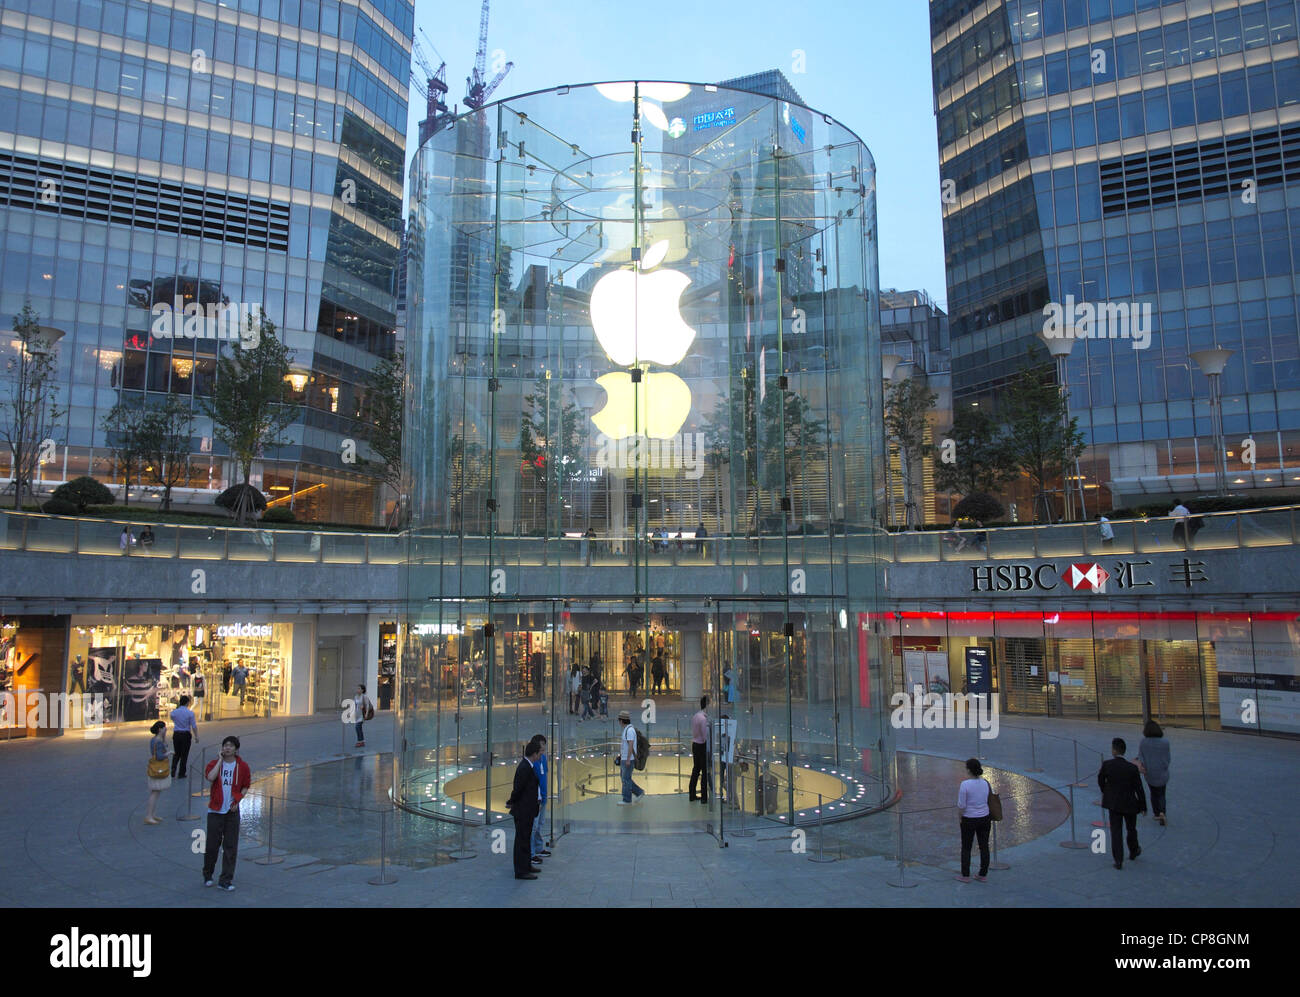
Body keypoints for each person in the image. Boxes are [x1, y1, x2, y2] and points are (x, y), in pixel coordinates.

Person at [203, 736, 252, 890]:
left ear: (236, 749)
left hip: (231, 812)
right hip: (215, 810)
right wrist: (219, 761)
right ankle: (208, 874)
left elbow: (246, 785)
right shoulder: (214, 764)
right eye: (225, 745)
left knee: (230, 846)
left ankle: (225, 879)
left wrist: (238, 801)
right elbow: (210, 777)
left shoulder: (242, 767)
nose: (227, 748)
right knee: (212, 845)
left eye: (231, 746)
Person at [1098, 736, 1147, 870]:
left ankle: (1118, 860)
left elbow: (1101, 780)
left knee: (1116, 830)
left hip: (1113, 803)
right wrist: (1143, 806)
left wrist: (1106, 792)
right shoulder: (1131, 768)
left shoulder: (1107, 765)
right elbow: (1139, 788)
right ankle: (1133, 850)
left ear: (1114, 751)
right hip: (1130, 803)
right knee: (1131, 829)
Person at [505, 738, 542, 880]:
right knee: (522, 840)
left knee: (525, 839)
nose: (540, 756)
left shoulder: (528, 766)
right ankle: (521, 870)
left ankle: (526, 866)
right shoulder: (524, 768)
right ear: (534, 754)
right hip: (523, 810)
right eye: (539, 753)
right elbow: (518, 789)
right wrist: (511, 801)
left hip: (528, 810)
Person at [955, 758, 991, 882]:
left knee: (966, 847)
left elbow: (961, 805)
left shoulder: (965, 784)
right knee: (984, 846)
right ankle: (983, 874)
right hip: (985, 818)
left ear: (969, 770)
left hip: (969, 819)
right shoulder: (985, 783)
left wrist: (960, 817)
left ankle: (965, 875)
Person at [1136, 720, 1171, 825]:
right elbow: (1168, 758)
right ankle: (1162, 812)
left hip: (1150, 772)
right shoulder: (1165, 742)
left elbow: (1141, 757)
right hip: (1162, 772)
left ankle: (1156, 812)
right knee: (1162, 793)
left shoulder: (1144, 742)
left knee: (1153, 792)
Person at [529, 734, 551, 864]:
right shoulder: (532, 762)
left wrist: (545, 794)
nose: (543, 752)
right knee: (534, 825)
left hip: (543, 797)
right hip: (536, 799)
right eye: (541, 749)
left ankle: (538, 847)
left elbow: (544, 776)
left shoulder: (543, 759)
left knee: (540, 824)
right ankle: (531, 853)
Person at [617, 709, 644, 805]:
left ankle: (627, 799)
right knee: (625, 778)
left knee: (626, 779)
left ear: (621, 720)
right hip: (625, 758)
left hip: (628, 759)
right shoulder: (628, 730)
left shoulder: (629, 730)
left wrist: (628, 759)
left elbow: (630, 744)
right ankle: (638, 792)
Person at [145, 720, 169, 825]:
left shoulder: (153, 740)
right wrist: (168, 753)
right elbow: (160, 756)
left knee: (155, 792)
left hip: (154, 767)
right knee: (155, 792)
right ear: (160, 729)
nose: (166, 729)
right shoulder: (158, 742)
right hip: (158, 768)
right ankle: (149, 815)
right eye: (164, 728)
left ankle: (152, 814)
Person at [170, 694, 198, 779]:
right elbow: (193, 726)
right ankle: (181, 772)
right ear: (187, 703)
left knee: (177, 753)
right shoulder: (190, 713)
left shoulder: (174, 712)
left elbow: (172, 718)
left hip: (176, 733)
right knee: (184, 755)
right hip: (185, 734)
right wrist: (196, 736)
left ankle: (173, 768)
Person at [689, 695, 710, 804]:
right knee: (704, 771)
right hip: (702, 745)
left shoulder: (696, 716)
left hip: (695, 744)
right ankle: (704, 797)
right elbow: (705, 736)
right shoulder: (703, 719)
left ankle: (692, 794)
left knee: (696, 769)